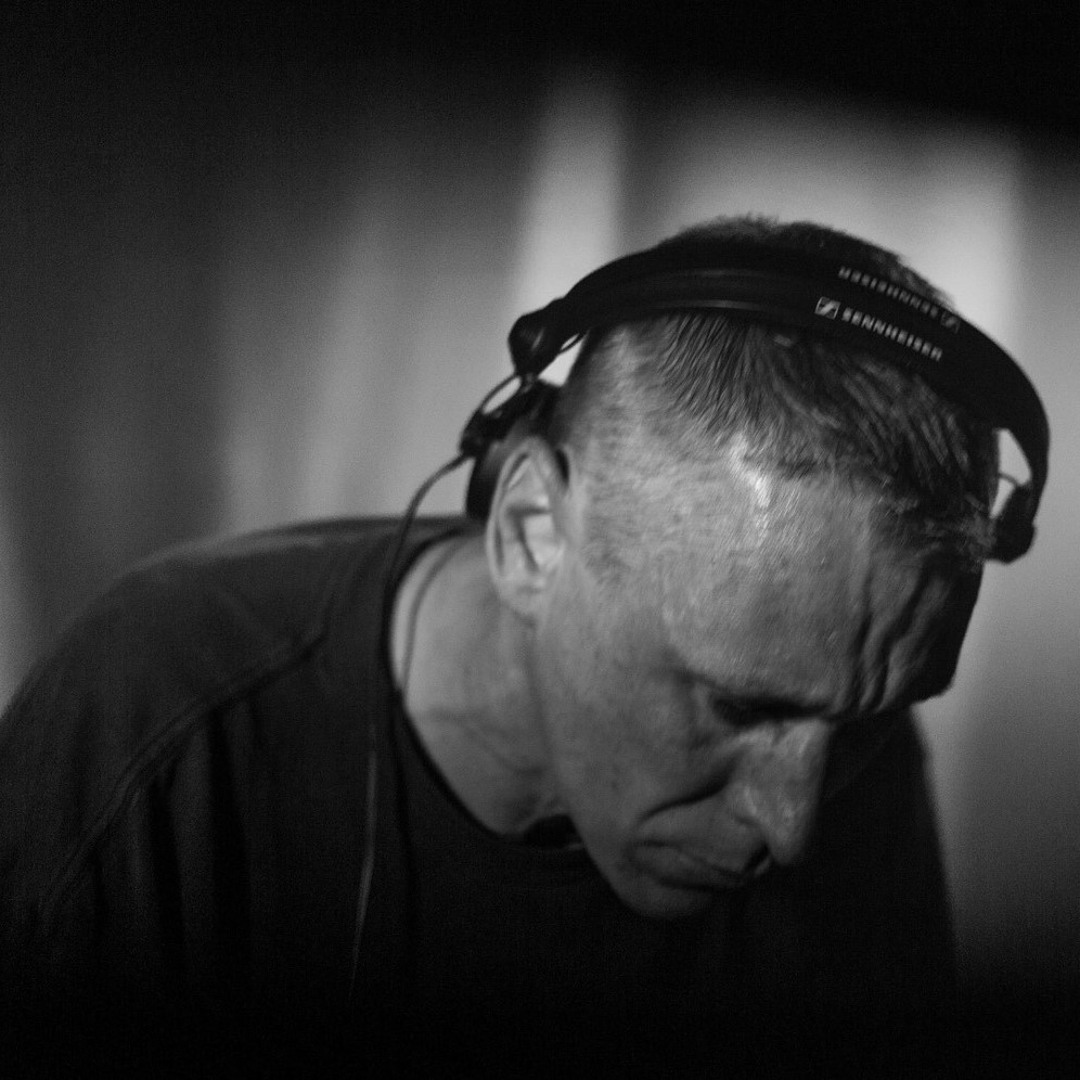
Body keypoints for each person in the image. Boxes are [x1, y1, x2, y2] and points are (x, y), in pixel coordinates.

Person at [0, 215, 1047, 1077]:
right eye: (739, 706)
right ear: (533, 534)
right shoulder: (157, 723)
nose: (794, 824)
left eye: (868, 719)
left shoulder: (852, 732)